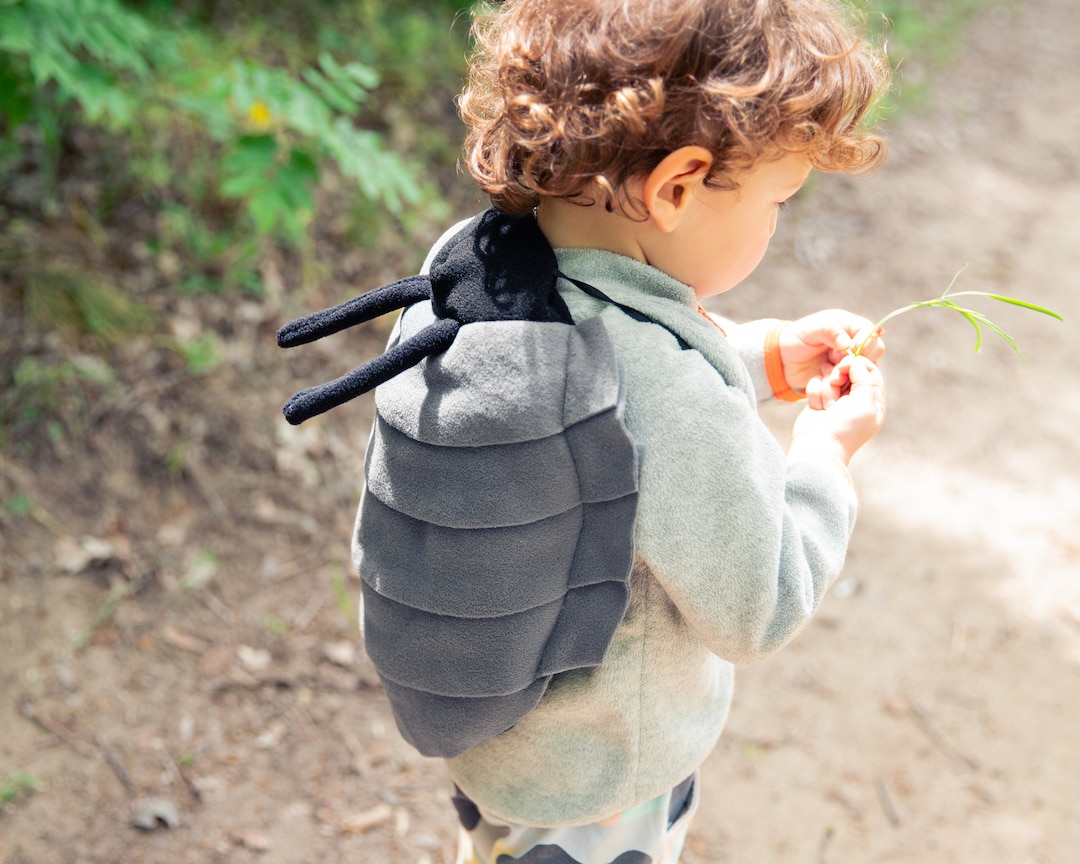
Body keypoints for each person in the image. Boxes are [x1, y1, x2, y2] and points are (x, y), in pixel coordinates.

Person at [362, 0, 890, 860]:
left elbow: (606, 402)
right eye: (778, 201)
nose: (775, 223)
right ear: (677, 187)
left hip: (492, 732)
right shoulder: (662, 393)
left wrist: (762, 358)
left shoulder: (471, 272)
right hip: (604, 783)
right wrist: (825, 457)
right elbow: (761, 602)